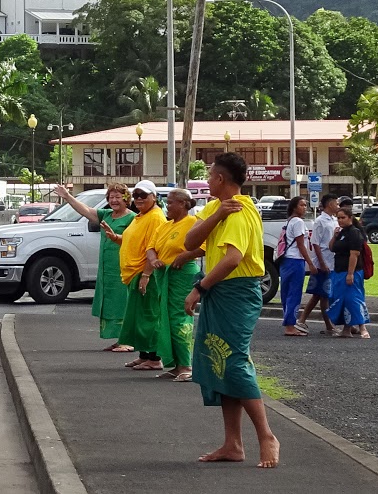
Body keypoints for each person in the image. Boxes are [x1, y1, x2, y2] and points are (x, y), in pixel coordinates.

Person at [184, 153, 279, 469]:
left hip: (236, 292)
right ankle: (233, 443)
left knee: (234, 360)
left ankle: (266, 435)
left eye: (210, 176)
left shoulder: (240, 212)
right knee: (218, 359)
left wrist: (200, 288)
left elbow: (232, 259)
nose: (208, 181)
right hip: (220, 291)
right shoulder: (217, 208)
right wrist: (215, 216)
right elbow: (190, 241)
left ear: (221, 180)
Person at [55, 182, 135, 350]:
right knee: (110, 301)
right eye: (111, 197)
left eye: (118, 197)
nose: (114, 201)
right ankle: (119, 339)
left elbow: (135, 241)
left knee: (123, 301)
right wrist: (68, 197)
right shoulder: (106, 215)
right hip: (107, 268)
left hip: (124, 267)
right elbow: (85, 210)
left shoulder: (132, 218)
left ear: (126, 199)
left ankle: (128, 340)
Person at [115, 180, 171, 370]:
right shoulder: (141, 216)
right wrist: (116, 238)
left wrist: (147, 274)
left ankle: (154, 359)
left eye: (143, 195)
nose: (138, 199)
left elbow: (153, 249)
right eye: (136, 195)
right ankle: (144, 355)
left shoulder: (155, 217)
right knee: (139, 317)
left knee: (149, 316)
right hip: (135, 273)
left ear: (154, 197)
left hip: (146, 274)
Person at [155, 187, 205, 380]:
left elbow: (203, 247)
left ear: (183, 204)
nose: (167, 206)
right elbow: (152, 246)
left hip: (183, 274)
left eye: (170, 202)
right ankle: (176, 364)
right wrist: (153, 259)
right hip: (165, 275)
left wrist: (186, 256)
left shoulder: (192, 222)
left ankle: (186, 365)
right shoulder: (165, 226)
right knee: (166, 318)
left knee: (180, 318)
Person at [298, 193, 339, 336]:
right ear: (329, 204)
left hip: (332, 261)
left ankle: (302, 319)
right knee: (323, 295)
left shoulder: (334, 220)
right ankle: (328, 326)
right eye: (336, 203)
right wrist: (321, 262)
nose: (338, 206)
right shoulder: (320, 221)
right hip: (324, 262)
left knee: (319, 294)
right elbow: (315, 242)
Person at [326, 207, 370, 338]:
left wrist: (350, 273)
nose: (340, 220)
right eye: (338, 218)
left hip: (351, 271)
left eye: (342, 217)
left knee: (353, 299)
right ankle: (347, 329)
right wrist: (334, 236)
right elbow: (332, 248)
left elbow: (354, 254)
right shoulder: (342, 233)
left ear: (350, 218)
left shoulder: (355, 233)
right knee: (341, 300)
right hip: (339, 271)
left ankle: (362, 327)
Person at [277, 195, 316, 336]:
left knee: (286, 293)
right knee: (294, 293)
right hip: (296, 261)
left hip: (286, 261)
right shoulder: (298, 222)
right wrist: (310, 263)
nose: (304, 208)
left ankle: (288, 322)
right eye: (301, 205)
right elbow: (301, 245)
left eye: (305, 205)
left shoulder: (289, 221)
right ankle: (290, 326)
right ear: (294, 207)